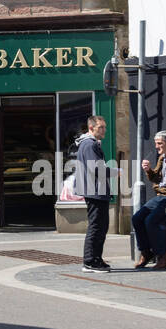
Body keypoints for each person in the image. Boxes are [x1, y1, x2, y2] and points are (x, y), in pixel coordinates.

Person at [133, 131, 166, 269]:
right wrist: (149, 170)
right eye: (156, 143)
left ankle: (163, 255)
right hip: (159, 196)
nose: (157, 146)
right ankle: (146, 252)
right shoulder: (162, 158)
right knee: (137, 218)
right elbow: (156, 178)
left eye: (159, 143)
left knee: (151, 220)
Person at [74, 115, 113, 273]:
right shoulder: (89, 145)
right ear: (91, 128)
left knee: (101, 226)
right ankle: (90, 261)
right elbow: (95, 168)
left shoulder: (90, 144)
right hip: (94, 191)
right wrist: (115, 171)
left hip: (96, 191)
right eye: (101, 127)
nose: (104, 130)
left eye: (104, 127)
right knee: (96, 226)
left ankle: (96, 258)